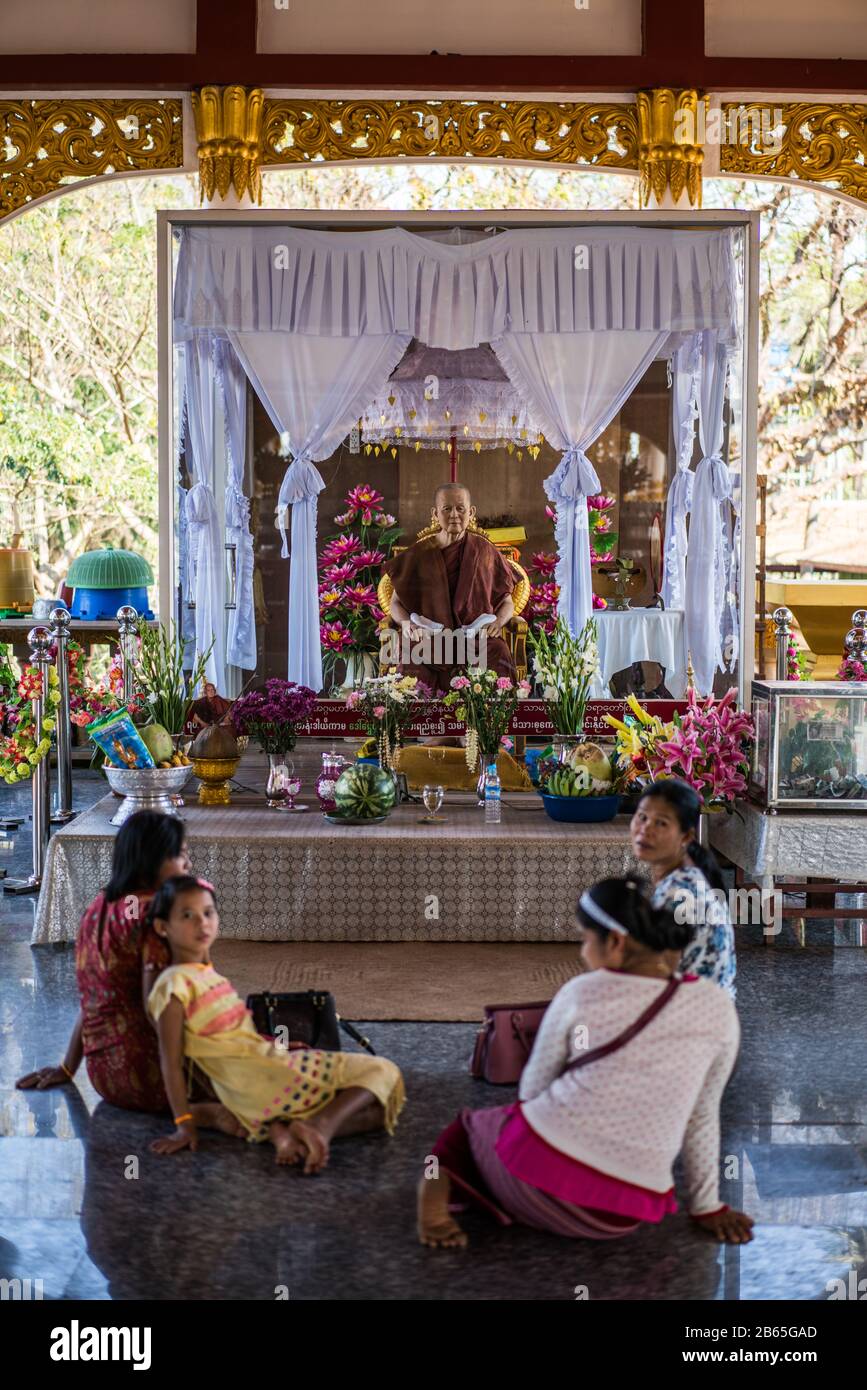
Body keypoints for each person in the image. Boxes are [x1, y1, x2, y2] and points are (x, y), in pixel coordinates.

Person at [418, 878, 753, 1249]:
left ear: (615, 942)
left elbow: (532, 1088)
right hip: (618, 1216)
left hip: (536, 1177)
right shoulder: (718, 1005)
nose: (582, 951)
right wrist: (707, 1206)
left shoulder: (581, 991)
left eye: (585, 939)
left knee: (466, 1130)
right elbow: (702, 1115)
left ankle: (433, 1213)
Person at [146, 876, 405, 1170]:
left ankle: (286, 1128)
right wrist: (183, 1126)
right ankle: (318, 1127)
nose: (202, 923)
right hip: (257, 1077)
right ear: (162, 927)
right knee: (384, 1070)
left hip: (261, 1072)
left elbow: (233, 1035)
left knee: (379, 1112)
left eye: (208, 913)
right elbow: (170, 1061)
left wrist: (274, 1044)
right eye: (187, 915)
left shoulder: (207, 975)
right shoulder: (173, 986)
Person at [16, 811, 238, 1135]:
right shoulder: (157, 914)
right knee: (286, 1073)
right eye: (180, 855)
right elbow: (157, 1012)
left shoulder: (99, 906)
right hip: (152, 1077)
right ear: (153, 860)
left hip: (105, 1076)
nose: (187, 865)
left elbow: (98, 998)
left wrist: (68, 1066)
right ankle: (205, 1112)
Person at [384, 482, 517, 694]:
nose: (454, 514)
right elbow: (396, 603)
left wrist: (498, 623)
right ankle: (419, 721)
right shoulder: (419, 554)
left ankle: (491, 720)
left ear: (471, 512)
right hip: (431, 636)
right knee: (411, 650)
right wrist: (407, 623)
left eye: (460, 508)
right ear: (435, 513)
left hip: (474, 637)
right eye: (446, 509)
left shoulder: (485, 551)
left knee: (498, 649)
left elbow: (507, 601)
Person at [630, 779, 736, 998]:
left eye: (661, 823)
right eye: (642, 817)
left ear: (686, 836)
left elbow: (660, 973)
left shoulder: (678, 894)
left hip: (694, 1015)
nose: (646, 829)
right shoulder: (691, 872)